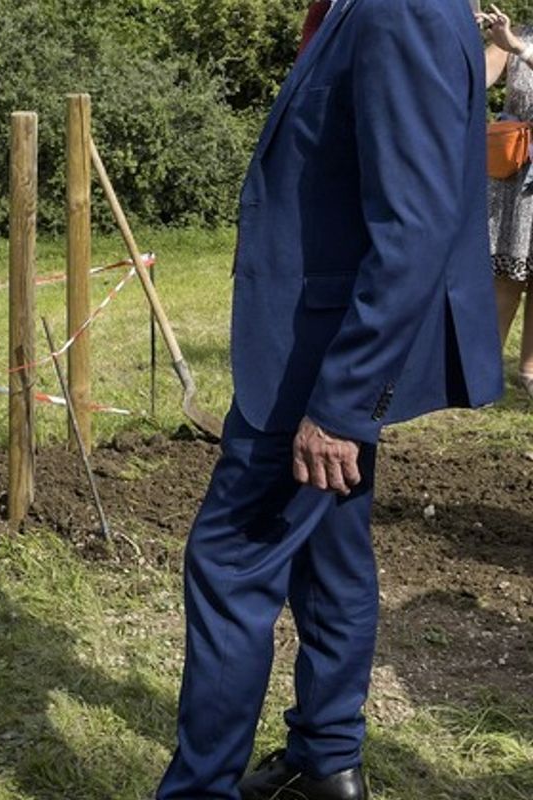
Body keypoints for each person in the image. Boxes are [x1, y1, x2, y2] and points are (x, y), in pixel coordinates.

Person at [155, 2, 502, 799]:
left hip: (318, 360)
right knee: (329, 553)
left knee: (230, 561)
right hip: (321, 343)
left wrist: (343, 402)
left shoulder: (401, 7)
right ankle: (325, 759)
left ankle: (200, 788)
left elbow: (413, 225)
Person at [477, 4, 533, 395]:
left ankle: (529, 371)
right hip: (515, 170)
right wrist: (461, 38)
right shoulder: (518, 33)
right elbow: (477, 77)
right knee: (504, 275)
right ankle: (483, 367)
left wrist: (519, 49)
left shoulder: (520, 42)